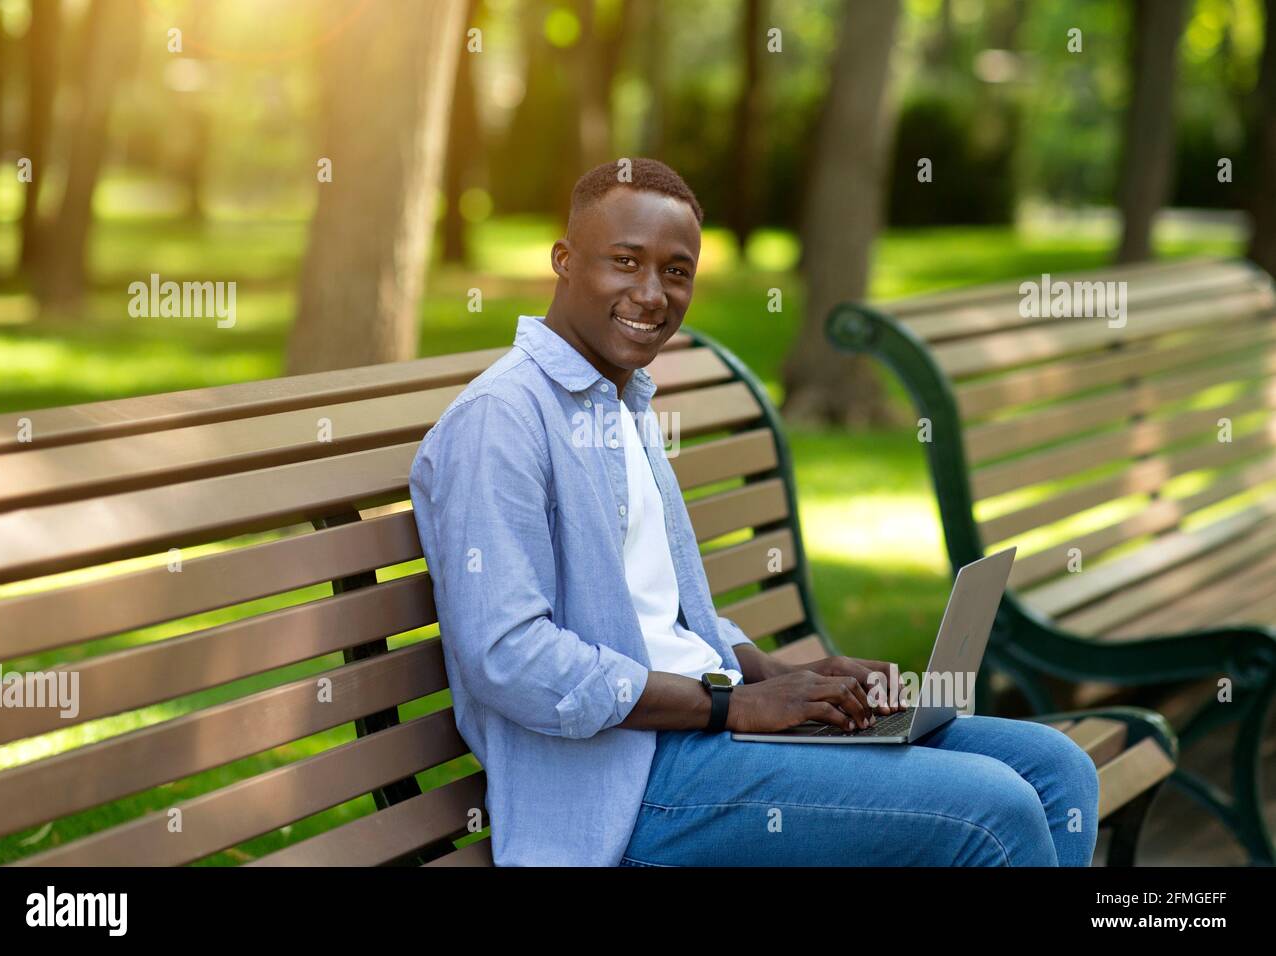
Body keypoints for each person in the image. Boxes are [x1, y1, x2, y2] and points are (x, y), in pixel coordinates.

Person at [409, 158, 1099, 867]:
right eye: (625, 261)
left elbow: (665, 620)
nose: (651, 294)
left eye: (676, 272)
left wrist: (784, 677)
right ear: (563, 260)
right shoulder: (502, 420)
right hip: (624, 784)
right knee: (997, 810)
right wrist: (727, 706)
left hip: (704, 736)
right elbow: (508, 656)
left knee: (1056, 772)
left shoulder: (619, 402)